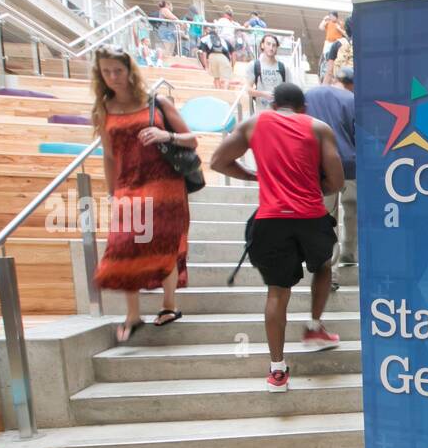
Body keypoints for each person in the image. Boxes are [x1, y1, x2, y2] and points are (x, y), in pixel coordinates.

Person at [210, 83, 346, 392]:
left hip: (270, 220)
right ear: (303, 108)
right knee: (324, 265)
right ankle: (314, 327)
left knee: (277, 292)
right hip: (311, 217)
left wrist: (253, 176)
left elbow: (217, 161)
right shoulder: (318, 127)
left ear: (274, 105)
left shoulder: (254, 123)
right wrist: (312, 191)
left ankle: (277, 370)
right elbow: (336, 180)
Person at [90, 45, 196, 343]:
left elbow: (192, 140)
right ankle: (133, 314)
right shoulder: (103, 110)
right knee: (125, 247)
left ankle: (169, 305)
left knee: (164, 245)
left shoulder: (156, 102)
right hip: (129, 185)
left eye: (118, 70)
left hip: (165, 184)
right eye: (106, 71)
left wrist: (167, 135)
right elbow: (109, 157)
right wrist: (113, 193)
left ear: (130, 71)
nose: (113, 77)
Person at [305, 66, 356, 263]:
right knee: (352, 210)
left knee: (327, 216)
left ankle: (329, 267)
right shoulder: (352, 100)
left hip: (319, 167)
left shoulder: (309, 95)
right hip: (350, 165)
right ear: (352, 84)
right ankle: (349, 253)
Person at [246, 33, 285, 110]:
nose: (271, 48)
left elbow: (289, 90)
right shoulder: (254, 65)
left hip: (278, 113)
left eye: (274, 45)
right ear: (262, 45)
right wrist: (263, 94)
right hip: (261, 112)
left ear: (277, 48)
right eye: (268, 44)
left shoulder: (283, 67)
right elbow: (248, 89)